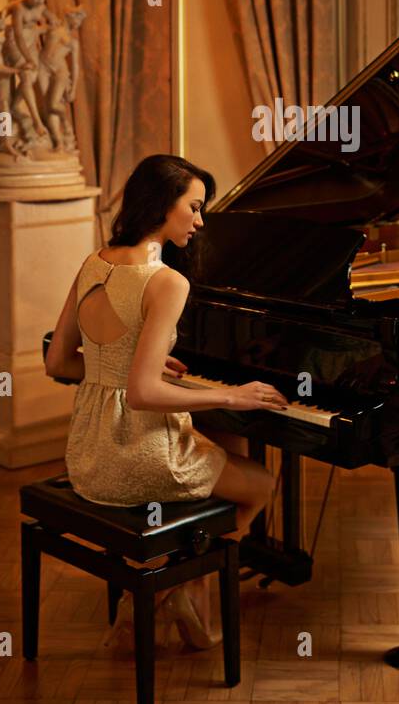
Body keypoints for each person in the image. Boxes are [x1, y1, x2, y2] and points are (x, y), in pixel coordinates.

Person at [45, 153, 286, 650]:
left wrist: (130, 364)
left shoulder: (94, 261)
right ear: (161, 205)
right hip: (142, 454)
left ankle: (173, 587)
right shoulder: (168, 282)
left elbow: (58, 363)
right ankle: (175, 588)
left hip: (89, 456)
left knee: (221, 455)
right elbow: (142, 393)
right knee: (261, 483)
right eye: (194, 207)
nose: (200, 221)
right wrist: (232, 395)